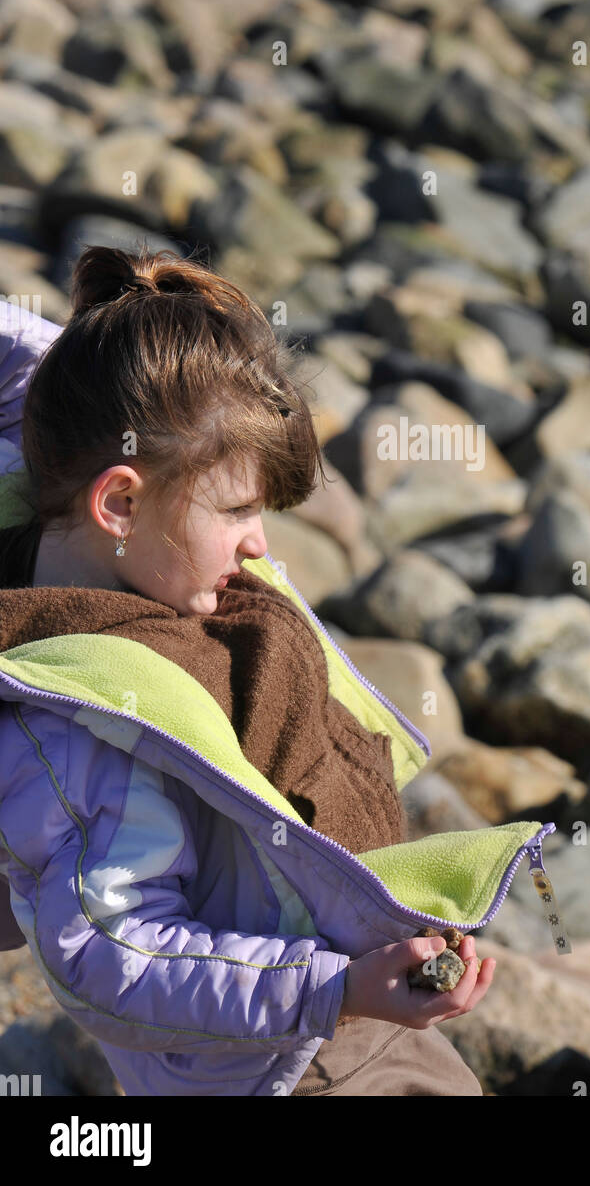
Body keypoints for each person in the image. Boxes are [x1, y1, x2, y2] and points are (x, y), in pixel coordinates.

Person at [0, 245, 555, 1097]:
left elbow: (33, 367)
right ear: (119, 502)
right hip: (283, 1066)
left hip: (353, 1021)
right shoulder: (80, 727)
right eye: (238, 510)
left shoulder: (98, 492)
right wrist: (335, 988)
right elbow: (113, 955)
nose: (259, 545)